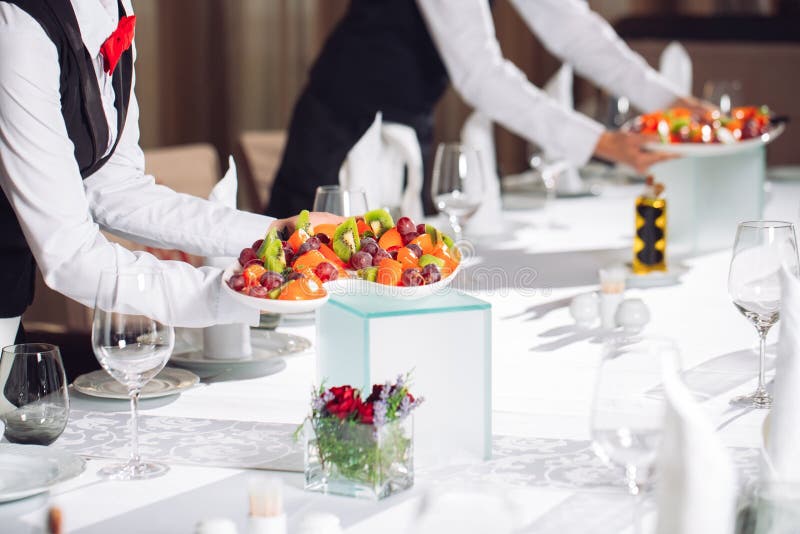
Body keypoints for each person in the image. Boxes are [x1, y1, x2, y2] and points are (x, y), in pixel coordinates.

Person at [0, 0, 340, 349]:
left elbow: (114, 188)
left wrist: (276, 232)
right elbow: (70, 258)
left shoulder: (110, 9)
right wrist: (245, 291)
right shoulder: (18, 28)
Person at [266, 0, 706, 219]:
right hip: (342, 124)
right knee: (300, 277)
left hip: (410, 123)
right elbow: (480, 74)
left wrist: (672, 103)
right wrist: (604, 143)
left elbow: (575, 30)